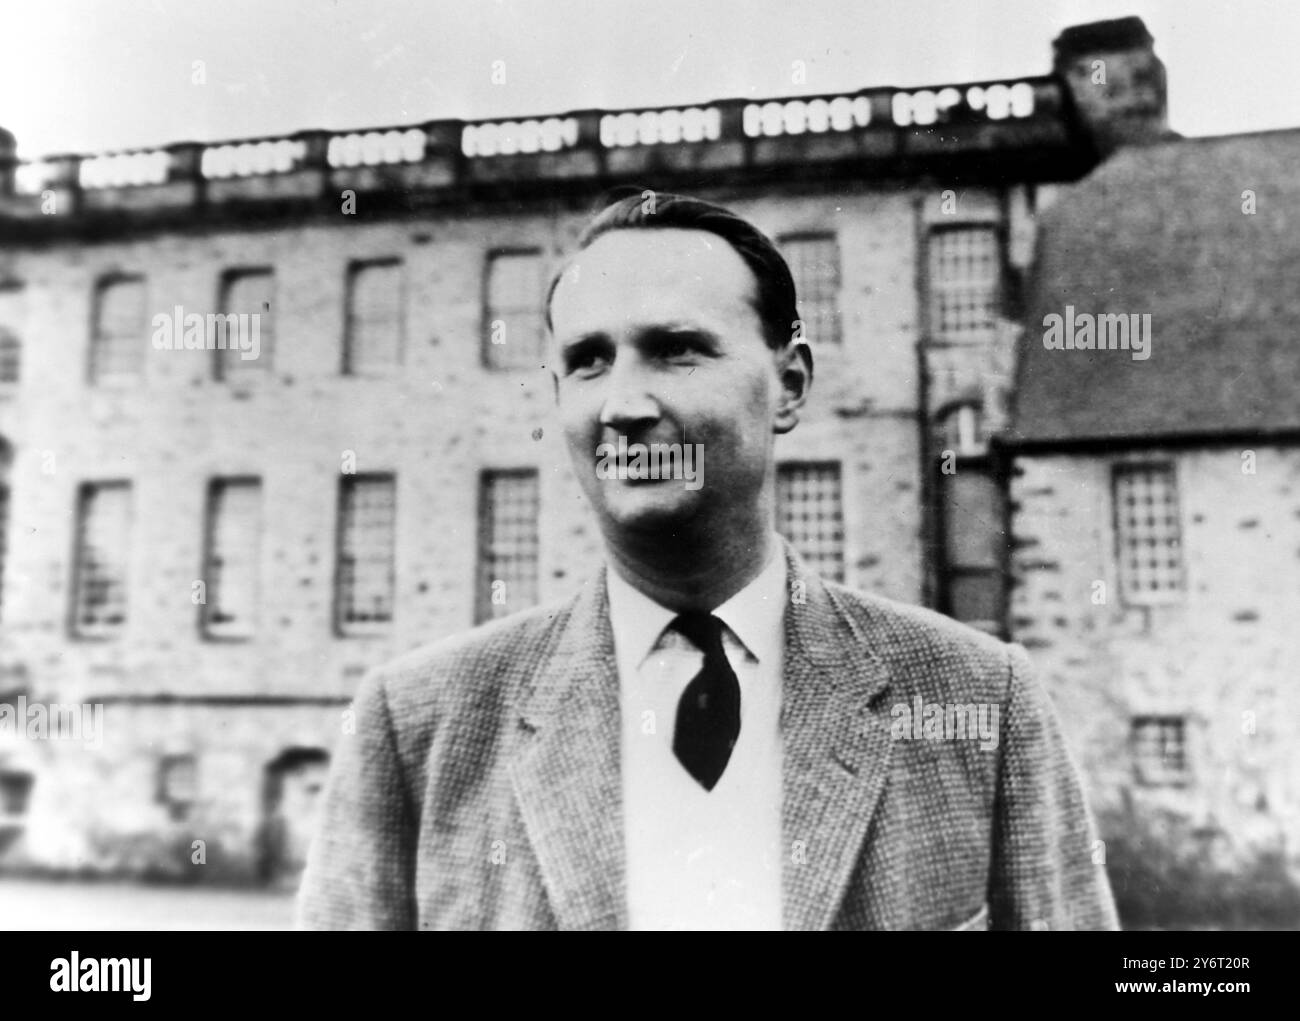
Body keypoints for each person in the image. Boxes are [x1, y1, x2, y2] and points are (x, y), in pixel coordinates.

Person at [296, 191, 1119, 930]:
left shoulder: (981, 702)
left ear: (789, 384)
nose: (623, 404)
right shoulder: (416, 724)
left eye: (677, 349)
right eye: (588, 360)